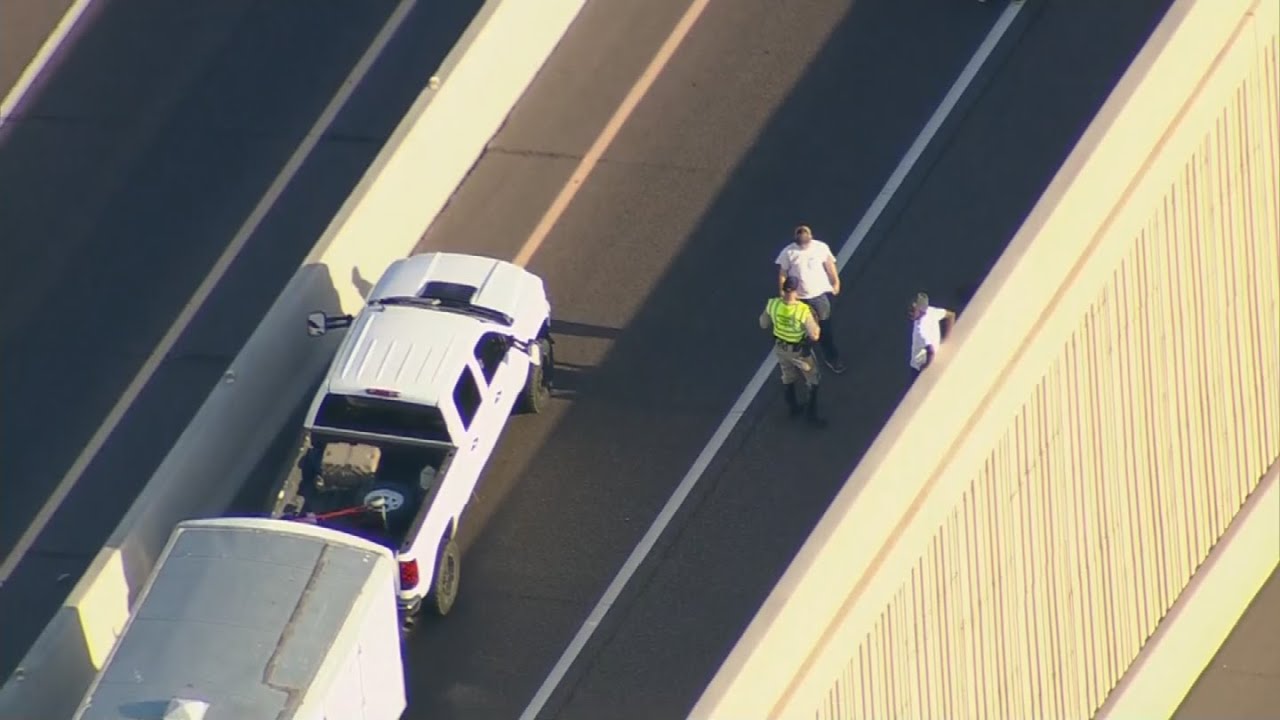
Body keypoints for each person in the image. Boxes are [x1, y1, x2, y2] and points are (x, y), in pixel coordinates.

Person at [775, 225, 846, 374]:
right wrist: (784, 293)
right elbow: (782, 273)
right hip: (799, 299)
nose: (804, 246)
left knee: (825, 329)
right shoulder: (788, 253)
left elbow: (829, 265)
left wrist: (836, 282)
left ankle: (832, 358)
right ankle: (801, 358)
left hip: (819, 296)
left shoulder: (820, 248)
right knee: (801, 332)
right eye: (802, 244)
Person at [760, 277, 827, 427]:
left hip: (780, 349)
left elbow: (763, 324)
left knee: (788, 376)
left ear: (783, 289)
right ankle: (811, 416)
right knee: (813, 380)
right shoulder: (802, 310)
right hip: (799, 352)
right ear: (796, 291)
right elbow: (815, 335)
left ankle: (793, 408)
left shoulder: (773, 304)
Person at [908, 292, 957, 374]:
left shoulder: (920, 330)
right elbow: (951, 315)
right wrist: (946, 337)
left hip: (919, 366)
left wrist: (925, 366)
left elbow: (930, 350)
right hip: (936, 352)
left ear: (920, 310)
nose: (910, 313)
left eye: (913, 311)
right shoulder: (931, 311)